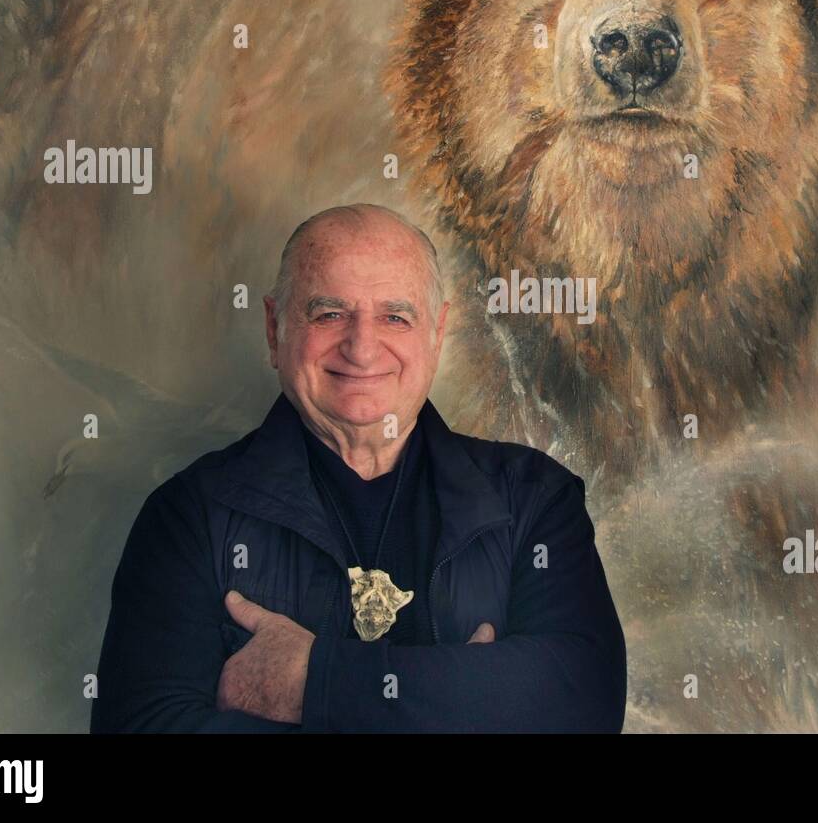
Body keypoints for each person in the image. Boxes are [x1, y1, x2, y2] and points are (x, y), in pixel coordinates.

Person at [89, 203, 626, 732]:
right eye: (329, 314)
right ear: (275, 329)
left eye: (395, 316)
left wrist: (313, 684)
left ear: (437, 335)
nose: (362, 348)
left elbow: (584, 701)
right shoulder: (187, 517)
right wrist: (456, 704)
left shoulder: (534, 499)